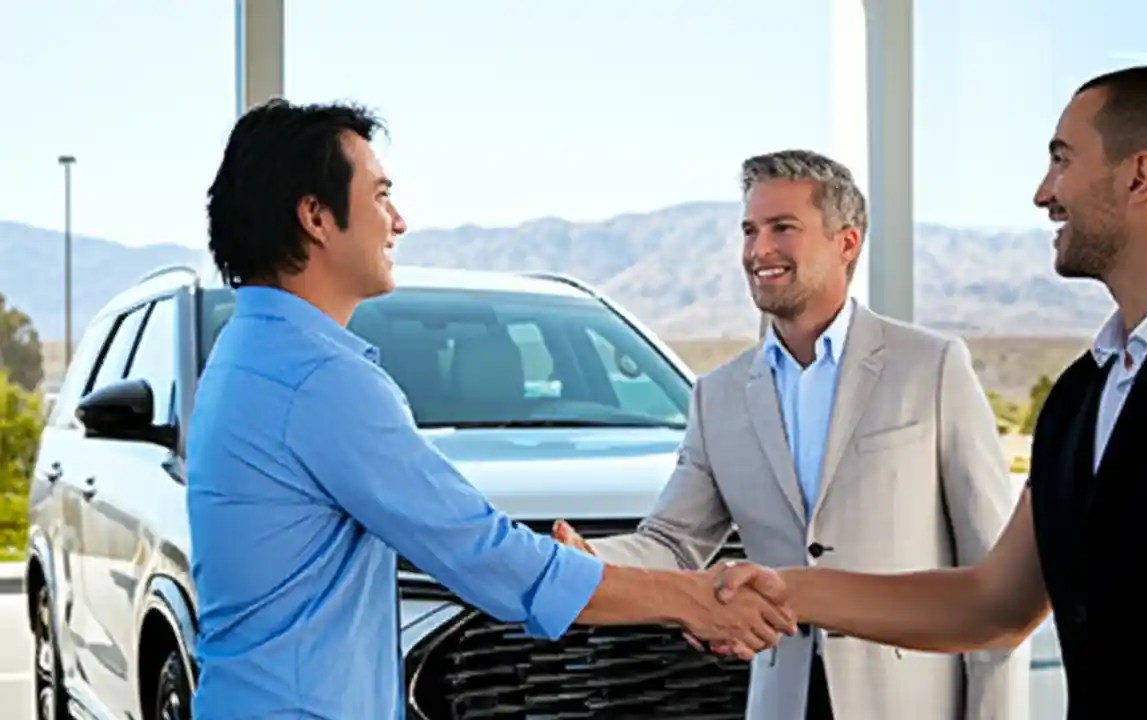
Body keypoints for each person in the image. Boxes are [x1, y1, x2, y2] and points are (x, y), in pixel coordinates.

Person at [185, 98, 796, 720]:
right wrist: (696, 599)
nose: (398, 221)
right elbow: (487, 555)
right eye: (380, 196)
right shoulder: (318, 379)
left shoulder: (249, 352)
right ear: (315, 217)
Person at [714, 66, 1147, 719]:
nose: (1044, 193)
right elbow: (995, 605)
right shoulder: (1079, 398)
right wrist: (789, 590)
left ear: (1139, 176)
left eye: (1062, 161)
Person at [553, 149, 1029, 719]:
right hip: (781, 699)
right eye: (750, 231)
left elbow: (994, 579)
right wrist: (591, 559)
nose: (759, 251)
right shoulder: (718, 395)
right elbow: (674, 542)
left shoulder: (931, 368)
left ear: (846, 242)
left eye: (783, 228)